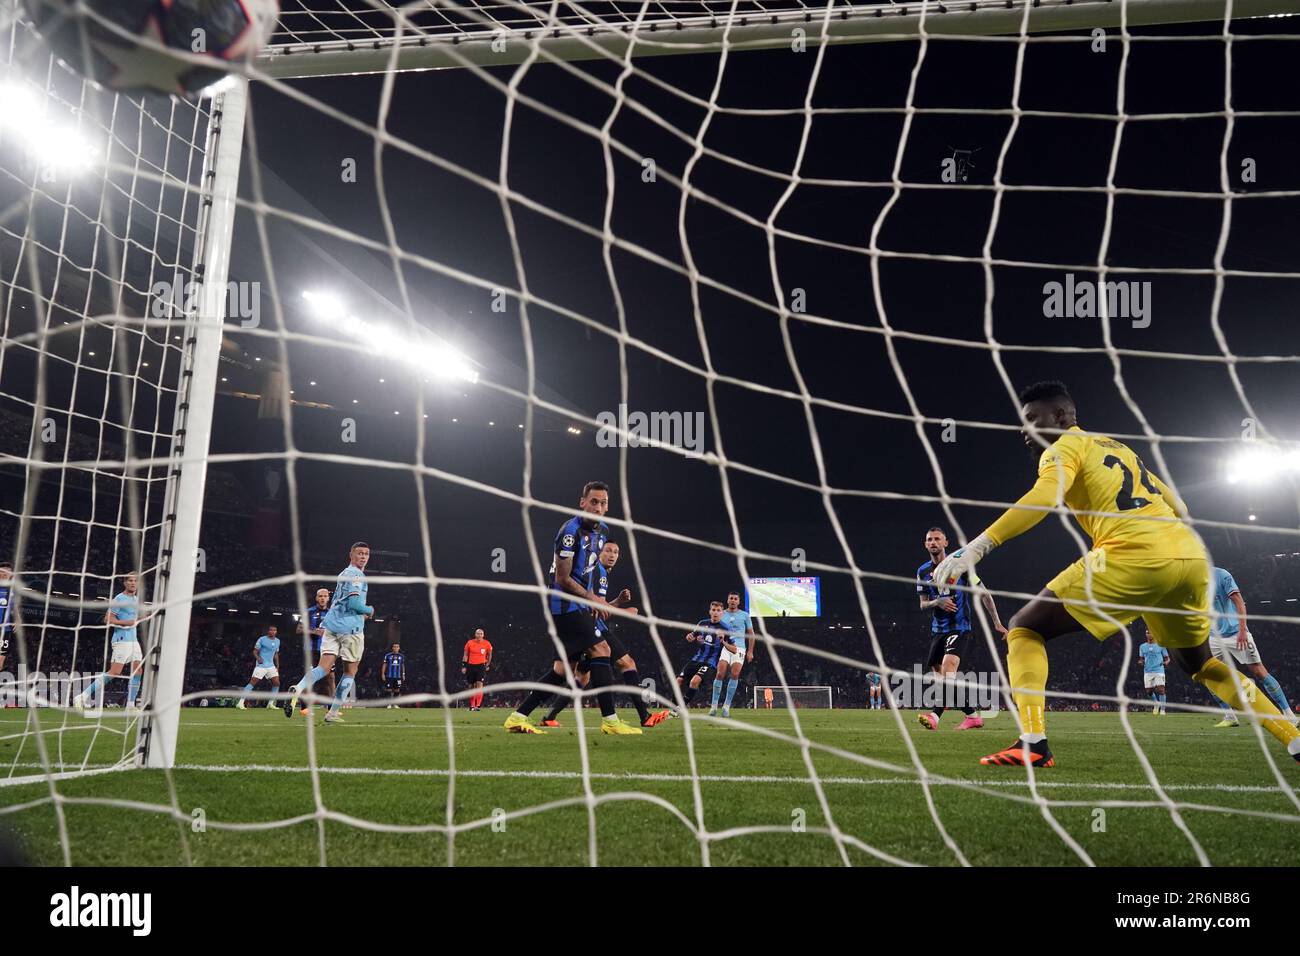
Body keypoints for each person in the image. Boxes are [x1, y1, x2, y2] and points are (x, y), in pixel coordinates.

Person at [931, 380, 1300, 767]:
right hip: (1190, 559)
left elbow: (1044, 497)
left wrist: (977, 547)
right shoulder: (1118, 448)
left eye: (1030, 419)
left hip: (1130, 555)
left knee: (1024, 627)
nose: (1023, 429)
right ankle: (1292, 737)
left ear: (1060, 416)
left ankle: (1033, 742)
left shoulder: (1064, 447)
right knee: (1202, 665)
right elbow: (1181, 507)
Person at [502, 481, 642, 735]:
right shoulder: (570, 531)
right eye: (594, 502)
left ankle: (517, 716)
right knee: (602, 649)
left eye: (603, 503)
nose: (598, 507)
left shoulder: (603, 532)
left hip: (580, 606)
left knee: (562, 671)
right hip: (564, 605)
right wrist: (593, 599)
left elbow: (587, 571)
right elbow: (563, 579)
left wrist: (601, 602)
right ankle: (610, 721)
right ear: (583, 503)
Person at [916, 527, 1006, 731]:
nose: (933, 542)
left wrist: (997, 623)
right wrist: (937, 602)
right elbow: (922, 604)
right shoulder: (922, 571)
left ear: (946, 542)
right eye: (929, 539)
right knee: (942, 681)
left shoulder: (961, 567)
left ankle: (934, 716)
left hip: (960, 627)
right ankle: (972, 716)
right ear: (925, 544)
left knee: (948, 673)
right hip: (937, 630)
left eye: (937, 539)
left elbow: (985, 594)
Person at [284, 542, 374, 724]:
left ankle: (299, 688)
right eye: (359, 553)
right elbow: (354, 604)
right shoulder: (357, 576)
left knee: (323, 668)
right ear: (351, 555)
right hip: (350, 629)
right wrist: (369, 609)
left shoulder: (343, 573)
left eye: (366, 554)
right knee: (350, 671)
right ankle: (332, 713)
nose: (363, 557)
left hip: (331, 627)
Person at [1203, 566, 1297, 727]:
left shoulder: (1222, 574)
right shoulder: (1192, 581)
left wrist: (1242, 630)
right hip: (1214, 636)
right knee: (1209, 675)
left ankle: (1289, 715)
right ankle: (1230, 716)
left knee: (1258, 671)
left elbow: (1239, 601)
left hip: (1235, 633)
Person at [75, 572, 148, 712]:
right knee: (115, 672)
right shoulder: (119, 599)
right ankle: (82, 696)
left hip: (134, 640)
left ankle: (131, 705)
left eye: (135, 581)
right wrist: (125, 622)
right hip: (121, 640)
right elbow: (107, 619)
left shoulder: (137, 600)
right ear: (125, 583)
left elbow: (138, 616)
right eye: (130, 581)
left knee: (138, 671)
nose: (133, 583)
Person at [710, 591, 755, 718]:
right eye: (731, 598)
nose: (733, 600)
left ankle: (726, 707)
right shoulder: (721, 613)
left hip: (739, 647)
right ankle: (713, 706)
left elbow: (751, 634)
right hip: (725, 646)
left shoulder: (745, 615)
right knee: (719, 673)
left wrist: (750, 651)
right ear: (728, 600)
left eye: (735, 599)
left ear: (739, 601)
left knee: (735, 674)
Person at [237, 625, 280, 709]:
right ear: (268, 631)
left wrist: (277, 665)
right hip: (261, 665)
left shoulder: (278, 641)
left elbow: (276, 653)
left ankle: (270, 704)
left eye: (274, 630)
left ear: (276, 632)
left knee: (277, 683)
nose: (273, 632)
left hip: (271, 665)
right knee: (252, 683)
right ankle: (240, 702)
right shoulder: (262, 639)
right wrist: (258, 658)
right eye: (271, 630)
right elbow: (255, 651)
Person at [1138, 635, 1169, 715]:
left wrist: (1166, 662)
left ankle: (1162, 710)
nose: (1149, 634)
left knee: (1161, 690)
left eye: (1150, 632)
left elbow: (1167, 658)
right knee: (1149, 691)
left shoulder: (1161, 645)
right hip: (1148, 671)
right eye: (1147, 632)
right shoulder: (1142, 646)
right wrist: (1141, 662)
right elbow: (1141, 659)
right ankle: (1156, 703)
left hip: (1159, 670)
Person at [462, 628, 492, 711]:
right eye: (478, 633)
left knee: (479, 685)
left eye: (481, 634)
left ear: (483, 635)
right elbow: (465, 655)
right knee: (471, 686)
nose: (479, 635)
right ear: (475, 634)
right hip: (471, 666)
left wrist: (487, 664)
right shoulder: (470, 643)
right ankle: (472, 706)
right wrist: (464, 666)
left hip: (481, 666)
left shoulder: (487, 644)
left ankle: (477, 706)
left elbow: (489, 655)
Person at [381, 642, 405, 709]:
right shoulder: (388, 655)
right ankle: (388, 704)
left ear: (399, 648)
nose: (396, 648)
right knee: (389, 690)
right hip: (389, 676)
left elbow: (402, 665)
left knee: (397, 690)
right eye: (394, 646)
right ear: (392, 648)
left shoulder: (401, 656)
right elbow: (384, 665)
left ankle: (395, 704)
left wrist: (403, 674)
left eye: (397, 647)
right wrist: (382, 674)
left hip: (398, 676)